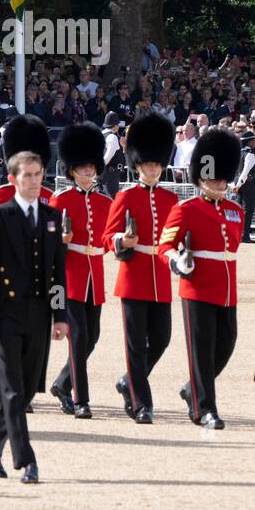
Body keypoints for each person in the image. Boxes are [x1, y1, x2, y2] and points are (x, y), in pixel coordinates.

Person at [0, 150, 68, 484]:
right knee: (12, 391)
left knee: (26, 390)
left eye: (38, 174)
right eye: (26, 175)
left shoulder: (52, 217)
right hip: (6, 314)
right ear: (13, 179)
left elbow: (58, 271)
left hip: (40, 314)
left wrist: (60, 314)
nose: (34, 181)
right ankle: (27, 460)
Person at [159, 128, 244, 430]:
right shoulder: (185, 210)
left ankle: (191, 389)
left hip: (226, 290)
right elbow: (165, 245)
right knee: (202, 350)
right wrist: (177, 260)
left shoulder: (235, 211)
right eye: (212, 178)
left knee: (227, 345)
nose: (219, 183)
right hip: (196, 288)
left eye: (222, 178)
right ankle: (204, 409)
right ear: (200, 179)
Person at [102, 112, 177, 425]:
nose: (153, 168)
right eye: (148, 164)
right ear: (138, 164)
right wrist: (123, 240)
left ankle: (128, 381)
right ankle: (141, 402)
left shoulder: (172, 198)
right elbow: (108, 235)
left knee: (161, 339)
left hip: (160, 276)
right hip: (133, 279)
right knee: (135, 344)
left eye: (157, 164)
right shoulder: (126, 195)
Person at [48, 122, 112, 419]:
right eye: (82, 169)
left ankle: (62, 383)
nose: (88, 173)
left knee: (93, 336)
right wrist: (59, 241)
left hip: (94, 278)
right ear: (72, 170)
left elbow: (109, 238)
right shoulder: (60, 200)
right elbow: (46, 238)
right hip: (69, 277)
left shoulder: (104, 202)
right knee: (79, 336)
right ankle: (80, 398)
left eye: (91, 168)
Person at [232, 130, 255, 243]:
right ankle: (244, 235)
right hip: (247, 184)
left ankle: (237, 234)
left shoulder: (238, 153)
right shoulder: (250, 154)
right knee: (248, 210)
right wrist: (238, 184)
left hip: (238, 183)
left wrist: (235, 184)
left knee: (239, 209)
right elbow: (245, 172)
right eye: (253, 141)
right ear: (249, 142)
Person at [100, 112, 125, 197]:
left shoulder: (101, 134)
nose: (118, 127)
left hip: (103, 174)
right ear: (114, 126)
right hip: (110, 175)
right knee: (111, 200)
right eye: (117, 124)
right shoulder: (112, 137)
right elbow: (107, 158)